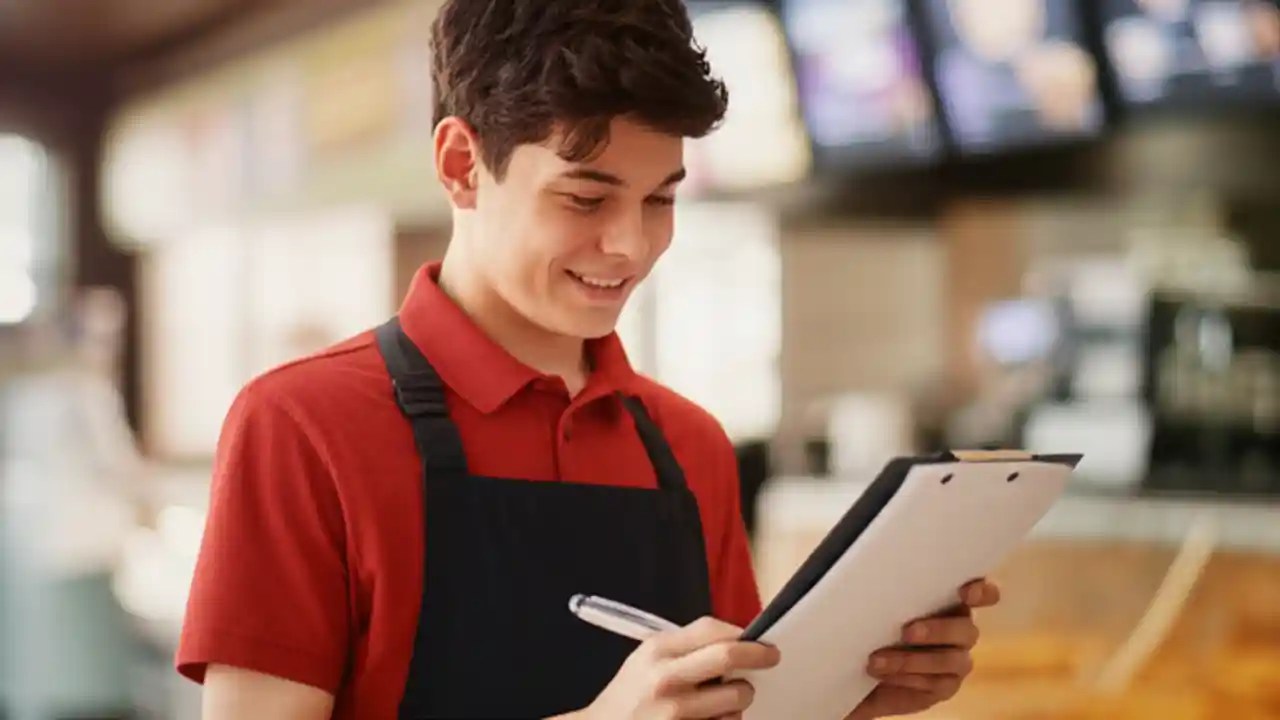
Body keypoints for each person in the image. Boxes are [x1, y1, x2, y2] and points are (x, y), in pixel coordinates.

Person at [178, 1, 1001, 718]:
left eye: (661, 199)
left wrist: (847, 694)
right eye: (585, 197)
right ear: (462, 165)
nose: (630, 245)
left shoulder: (689, 447)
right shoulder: (302, 425)